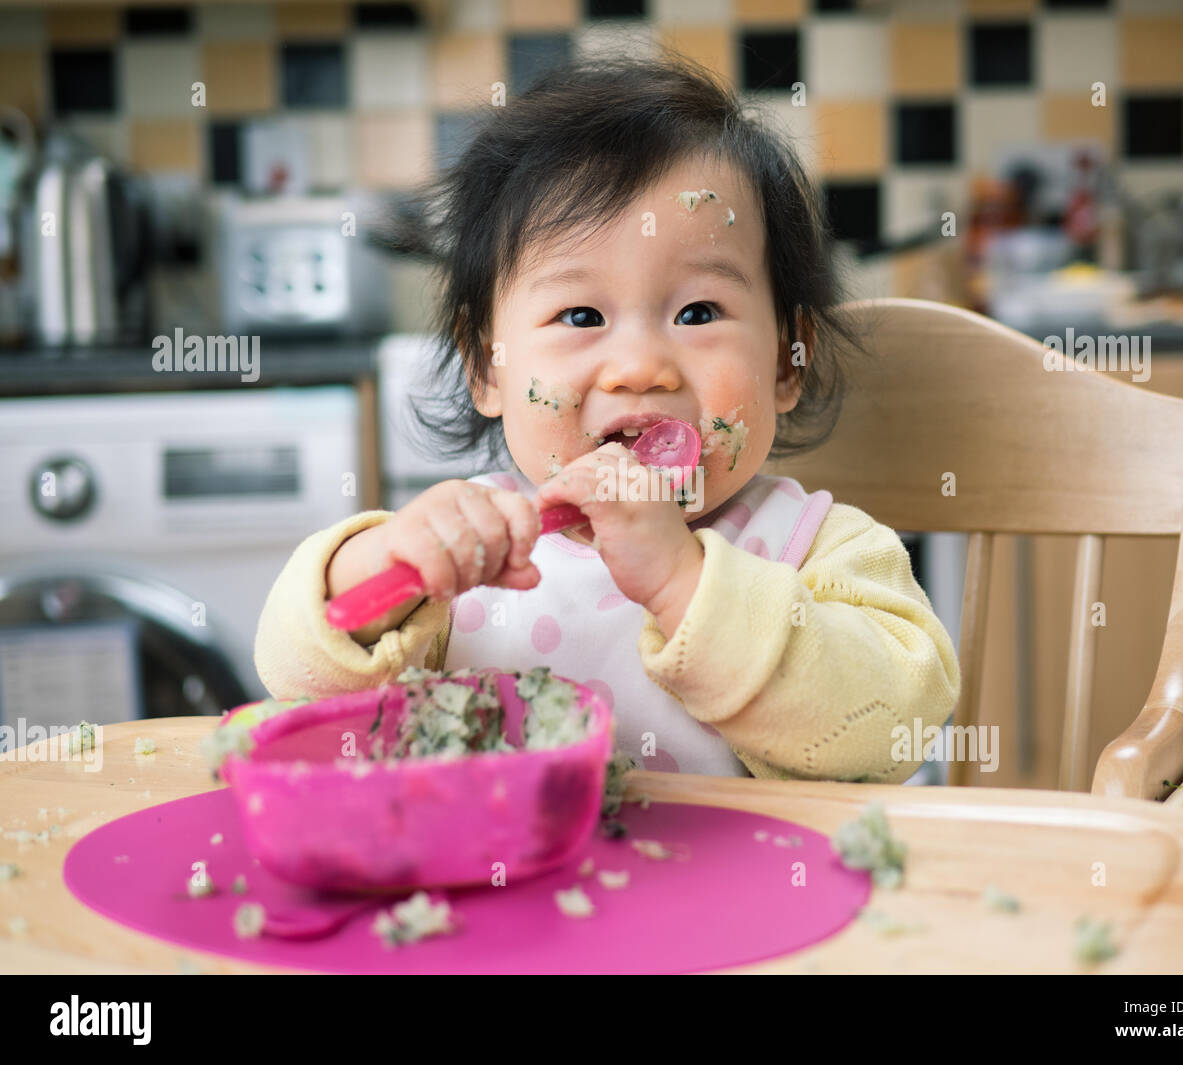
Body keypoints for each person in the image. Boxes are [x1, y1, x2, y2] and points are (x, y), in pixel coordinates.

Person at [254, 53, 960, 783]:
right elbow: (297, 685)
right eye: (582, 314)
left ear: (788, 361)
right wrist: (380, 565)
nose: (640, 366)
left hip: (751, 894)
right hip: (514, 892)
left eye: (698, 312)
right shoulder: (471, 558)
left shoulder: (819, 553)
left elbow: (893, 730)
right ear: (487, 367)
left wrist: (682, 583)